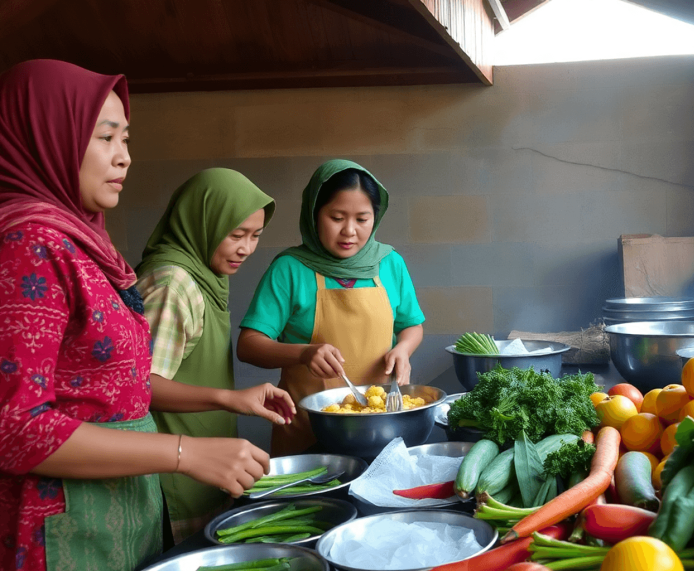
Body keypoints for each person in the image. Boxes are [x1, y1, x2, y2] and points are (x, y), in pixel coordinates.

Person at [0, 59, 269, 571]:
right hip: (61, 530)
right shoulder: (28, 246)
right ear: (48, 138)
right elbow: (13, 427)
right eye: (106, 138)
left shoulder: (80, 244)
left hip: (116, 518)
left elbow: (117, 387)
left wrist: (225, 401)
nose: (124, 158)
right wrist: (186, 453)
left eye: (126, 139)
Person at [135, 168, 296, 544]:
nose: (246, 248)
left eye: (255, 236)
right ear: (200, 221)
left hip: (201, 461)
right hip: (171, 475)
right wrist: (229, 398)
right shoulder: (174, 283)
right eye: (236, 234)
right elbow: (141, 386)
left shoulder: (204, 276)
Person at [237, 159, 425, 456]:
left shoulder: (390, 263)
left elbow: (412, 325)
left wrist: (403, 350)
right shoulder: (290, 269)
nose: (349, 231)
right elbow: (248, 345)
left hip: (380, 428)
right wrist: (304, 352)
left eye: (362, 219)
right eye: (337, 217)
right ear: (314, 214)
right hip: (307, 431)